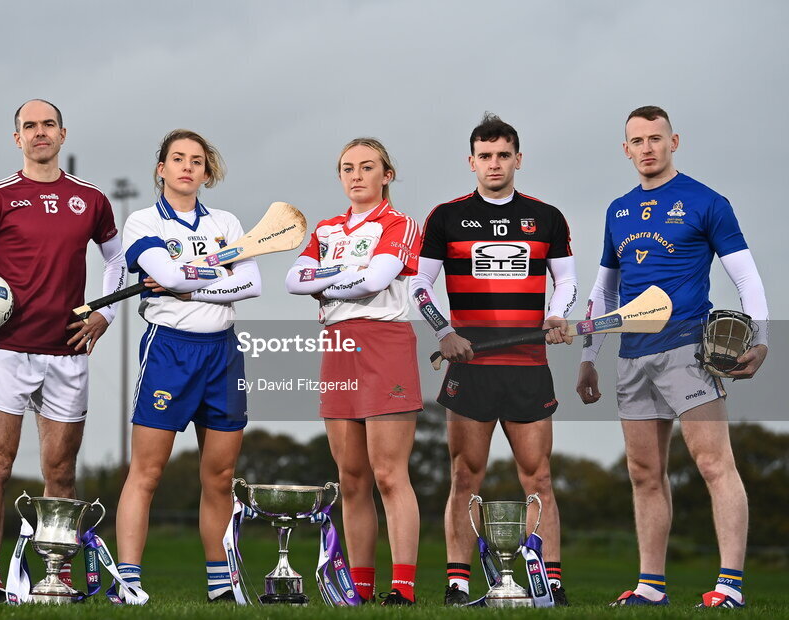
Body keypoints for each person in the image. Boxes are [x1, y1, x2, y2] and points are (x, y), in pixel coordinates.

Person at [577, 106, 769, 609]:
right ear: (626, 149)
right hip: (632, 356)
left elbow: (746, 277)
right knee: (643, 471)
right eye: (637, 140)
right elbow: (605, 289)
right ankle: (650, 587)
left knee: (712, 463)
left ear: (673, 141)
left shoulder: (707, 202)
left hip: (688, 349)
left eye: (656, 138)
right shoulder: (617, 210)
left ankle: (729, 587)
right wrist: (589, 355)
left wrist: (763, 337)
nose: (647, 148)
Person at [0, 99, 125, 603]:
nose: (39, 133)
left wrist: (106, 312)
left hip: (68, 351)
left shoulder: (91, 199)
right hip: (8, 351)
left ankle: (55, 578)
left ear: (63, 134)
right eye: (28, 126)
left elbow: (116, 262)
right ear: (16, 138)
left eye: (47, 125)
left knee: (60, 471)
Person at [410, 113, 576, 606]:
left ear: (518, 159)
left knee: (538, 476)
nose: (494, 164)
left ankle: (551, 583)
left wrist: (556, 313)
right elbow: (420, 285)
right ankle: (458, 582)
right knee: (465, 475)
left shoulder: (547, 217)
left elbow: (564, 282)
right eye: (485, 156)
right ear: (471, 161)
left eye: (503, 155)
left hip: (528, 363)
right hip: (471, 364)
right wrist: (444, 331)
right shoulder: (445, 217)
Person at [114, 129, 260, 602]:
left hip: (223, 350)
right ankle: (129, 580)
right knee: (147, 472)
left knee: (219, 476)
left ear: (207, 171)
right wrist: (217, 273)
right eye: (177, 158)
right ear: (161, 168)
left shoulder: (227, 222)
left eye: (197, 161)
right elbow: (169, 274)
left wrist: (190, 285)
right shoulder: (140, 222)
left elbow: (252, 284)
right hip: (170, 350)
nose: (187, 167)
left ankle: (222, 582)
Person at [285, 137, 424, 606]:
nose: (357, 175)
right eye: (347, 168)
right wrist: (347, 276)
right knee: (351, 478)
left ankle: (402, 589)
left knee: (389, 474)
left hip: (385, 345)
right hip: (337, 346)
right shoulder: (325, 228)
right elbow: (291, 281)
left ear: (387, 174)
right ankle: (359, 590)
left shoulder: (400, 223)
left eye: (368, 167)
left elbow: (376, 280)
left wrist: (325, 281)